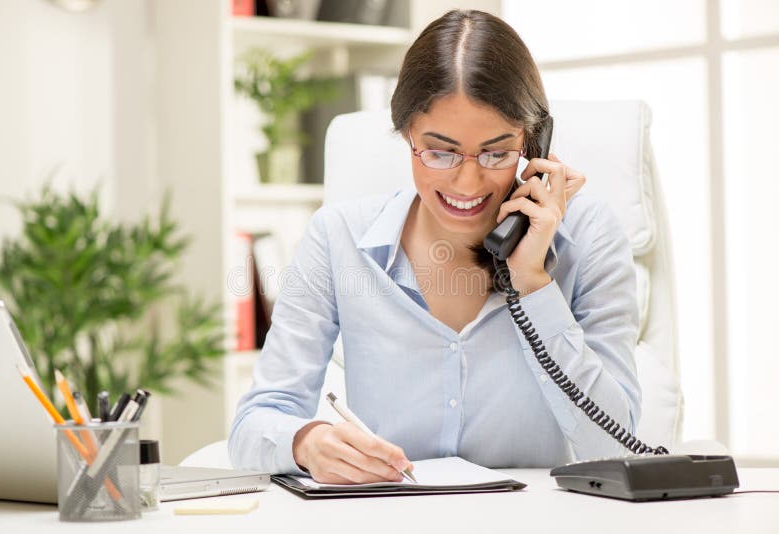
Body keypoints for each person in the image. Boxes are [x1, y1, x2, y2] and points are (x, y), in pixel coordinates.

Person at [229, 9, 640, 484]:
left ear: (534, 145)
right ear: (407, 136)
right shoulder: (337, 237)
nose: (467, 181)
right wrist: (306, 442)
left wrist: (532, 282)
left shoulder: (588, 237)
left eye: (496, 152)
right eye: (440, 152)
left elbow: (618, 447)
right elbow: (253, 425)